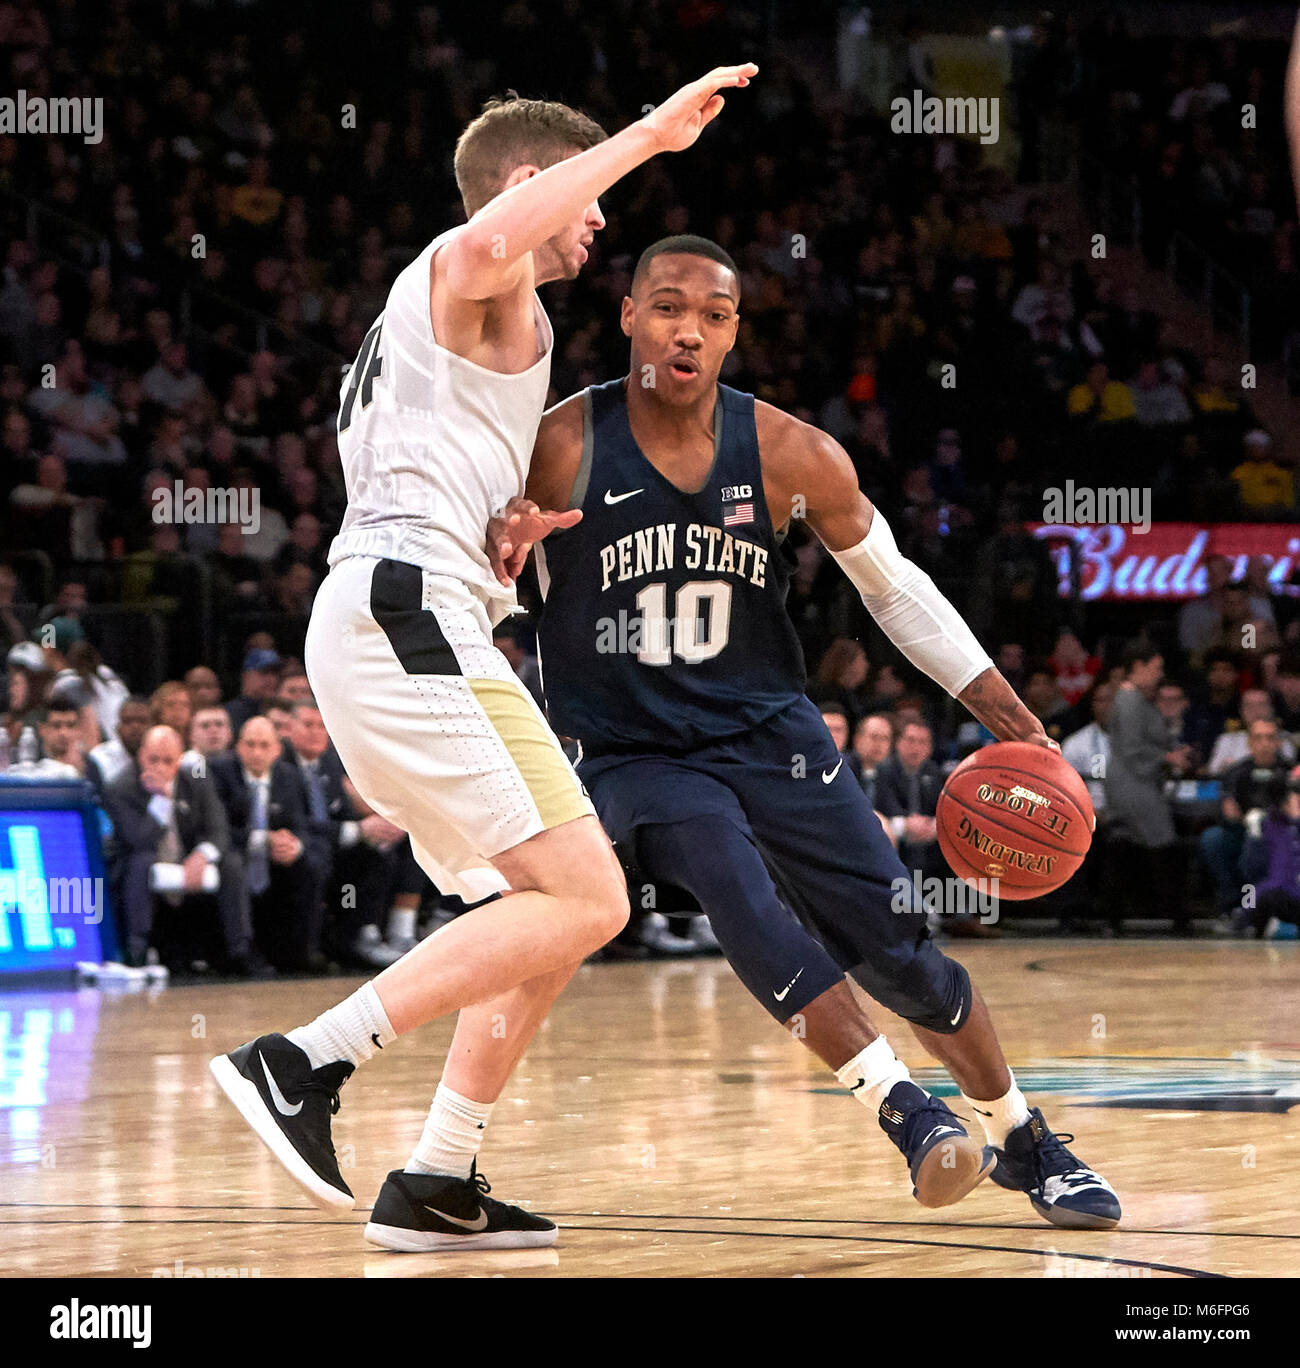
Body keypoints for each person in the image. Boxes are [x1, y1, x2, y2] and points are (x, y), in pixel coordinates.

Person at [210, 69, 760, 1252]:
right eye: (587, 192)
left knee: (564, 906)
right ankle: (301, 1061)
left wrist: (505, 529)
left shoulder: (516, 322)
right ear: (528, 183)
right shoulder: (465, 264)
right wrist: (650, 137)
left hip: (435, 614)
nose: (602, 220)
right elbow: (497, 232)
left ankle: (438, 1174)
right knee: (584, 896)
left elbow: (439, 464)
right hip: (399, 613)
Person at [494, 234, 1119, 1230]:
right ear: (624, 318)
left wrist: (996, 703)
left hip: (771, 732)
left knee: (900, 953)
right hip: (629, 752)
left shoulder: (791, 453)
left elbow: (896, 591)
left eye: (711, 313)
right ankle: (906, 1114)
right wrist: (499, 578)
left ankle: (1021, 1134)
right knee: (730, 881)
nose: (686, 329)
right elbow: (480, 585)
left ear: (735, 330)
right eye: (664, 306)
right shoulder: (559, 446)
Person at [102, 725, 253, 972]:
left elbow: (219, 829)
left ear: (180, 759)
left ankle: (239, 950)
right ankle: (137, 948)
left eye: (168, 760)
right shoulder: (121, 787)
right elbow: (138, 840)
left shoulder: (196, 781)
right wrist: (161, 800)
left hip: (186, 860)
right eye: (153, 760)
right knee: (142, 861)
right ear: (141, 756)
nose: (160, 767)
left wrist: (203, 855)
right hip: (140, 864)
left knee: (231, 863)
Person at [1105, 644, 1193, 930]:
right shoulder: (1130, 701)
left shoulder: (1135, 700)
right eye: (1155, 667)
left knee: (1127, 846)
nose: (1160, 673)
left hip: (1135, 783)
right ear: (1139, 667)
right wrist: (1168, 757)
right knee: (1163, 845)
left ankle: (1114, 916)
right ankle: (1178, 916)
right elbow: (1133, 750)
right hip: (1134, 786)